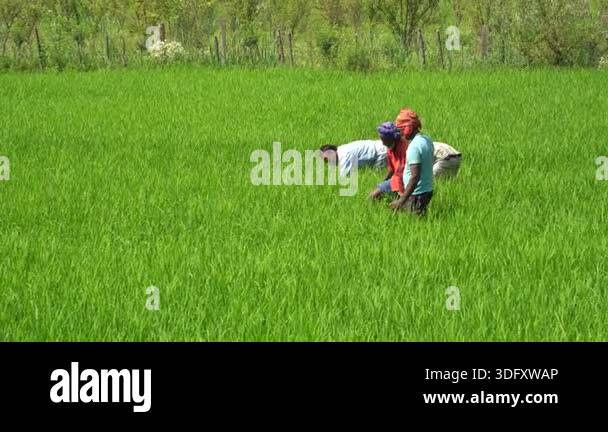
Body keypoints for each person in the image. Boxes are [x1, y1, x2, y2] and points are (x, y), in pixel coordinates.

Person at [390, 109, 434, 216]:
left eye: (401, 130)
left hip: (416, 194)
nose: (400, 134)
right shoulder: (426, 139)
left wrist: (402, 200)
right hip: (427, 190)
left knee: (414, 224)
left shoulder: (414, 147)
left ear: (408, 128)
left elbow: (415, 176)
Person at [369, 122, 407, 200]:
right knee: (373, 195)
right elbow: (391, 169)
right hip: (397, 178)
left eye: (384, 140)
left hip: (406, 179)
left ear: (390, 139)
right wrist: (382, 184)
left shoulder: (403, 148)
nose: (382, 143)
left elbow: (401, 171)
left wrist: (399, 191)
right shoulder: (390, 148)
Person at [319, 140, 387, 178]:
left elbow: (343, 178)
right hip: (381, 148)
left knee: (379, 177)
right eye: (325, 161)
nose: (328, 162)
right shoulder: (342, 150)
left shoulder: (343, 156)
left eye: (326, 159)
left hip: (381, 152)